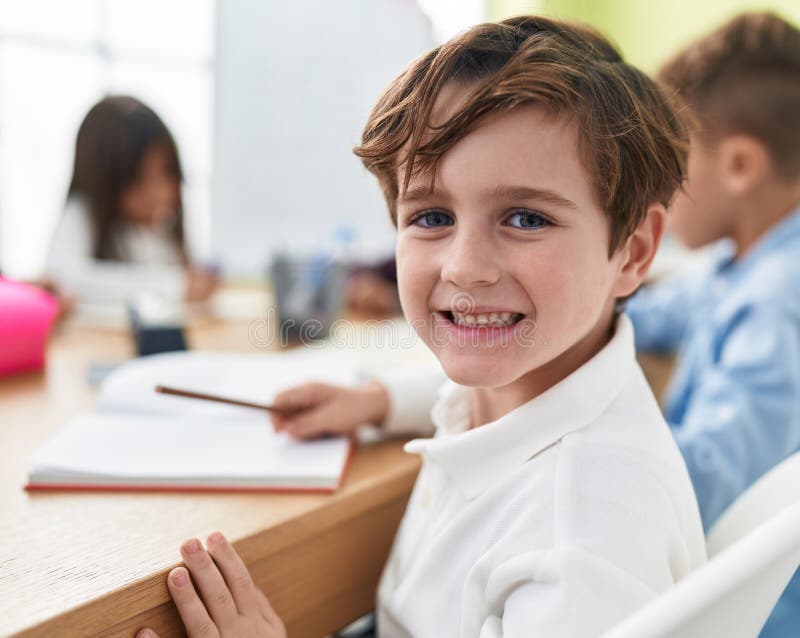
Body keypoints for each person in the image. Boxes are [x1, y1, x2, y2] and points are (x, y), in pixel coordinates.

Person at [138, 16, 706, 638]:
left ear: (632, 252)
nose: (465, 267)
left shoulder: (582, 545)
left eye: (525, 218)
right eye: (432, 215)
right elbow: (466, 396)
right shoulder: (530, 383)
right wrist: (378, 400)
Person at [624, 13, 800, 638]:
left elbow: (707, 484)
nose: (654, 186)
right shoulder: (741, 261)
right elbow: (654, 315)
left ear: (740, 165)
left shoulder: (778, 300)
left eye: (671, 161)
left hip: (750, 618)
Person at [46, 95, 217, 304]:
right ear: (105, 179)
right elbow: (61, 280)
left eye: (166, 172)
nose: (159, 192)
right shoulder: (83, 214)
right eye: (139, 177)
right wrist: (174, 286)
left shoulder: (163, 231)